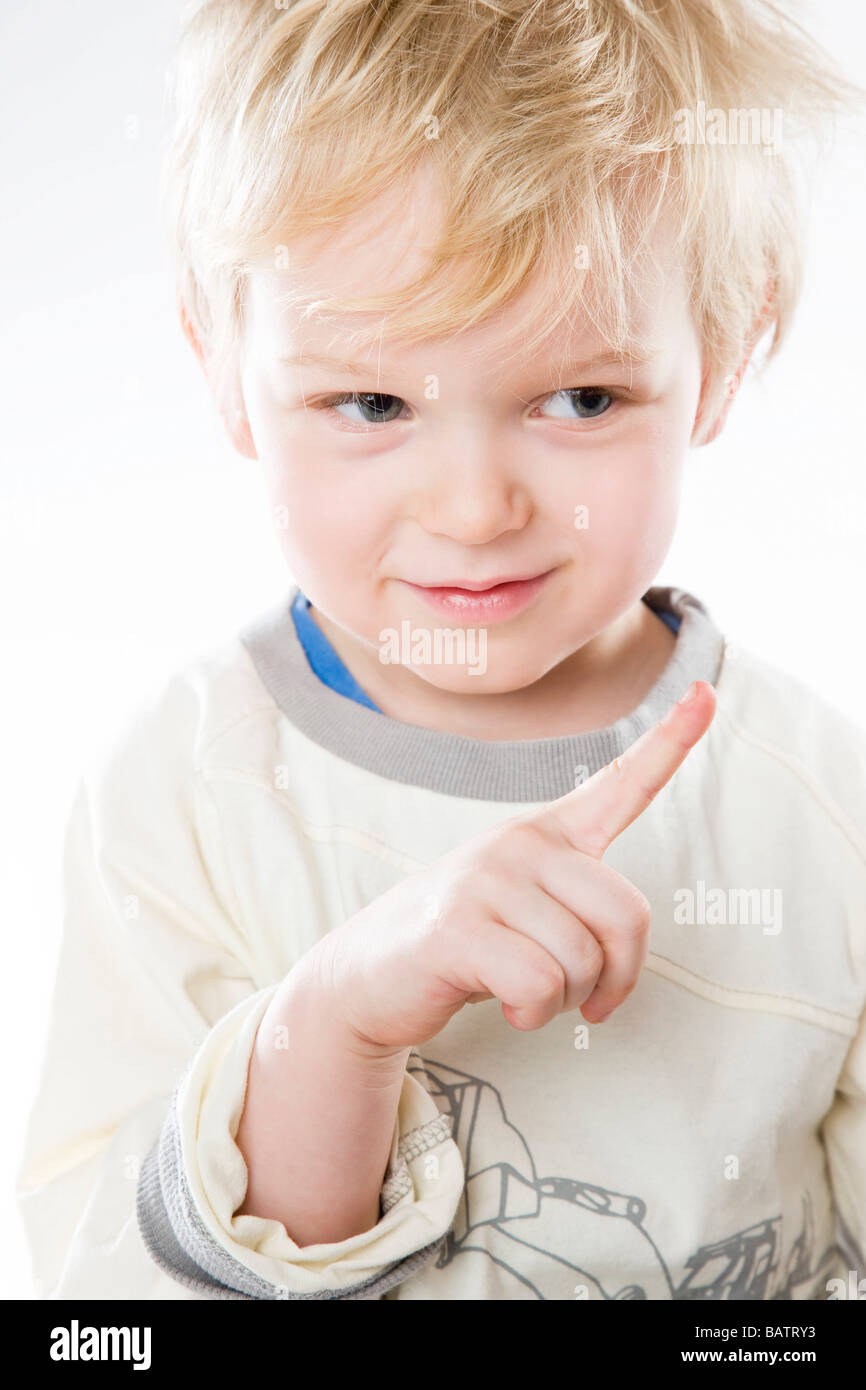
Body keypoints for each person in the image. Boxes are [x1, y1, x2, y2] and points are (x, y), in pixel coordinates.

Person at [16, 0, 866, 1300]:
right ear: (221, 365)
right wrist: (338, 1024)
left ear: (726, 350)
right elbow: (104, 1308)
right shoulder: (182, 794)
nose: (474, 508)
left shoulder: (824, 803)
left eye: (579, 397)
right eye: (369, 402)